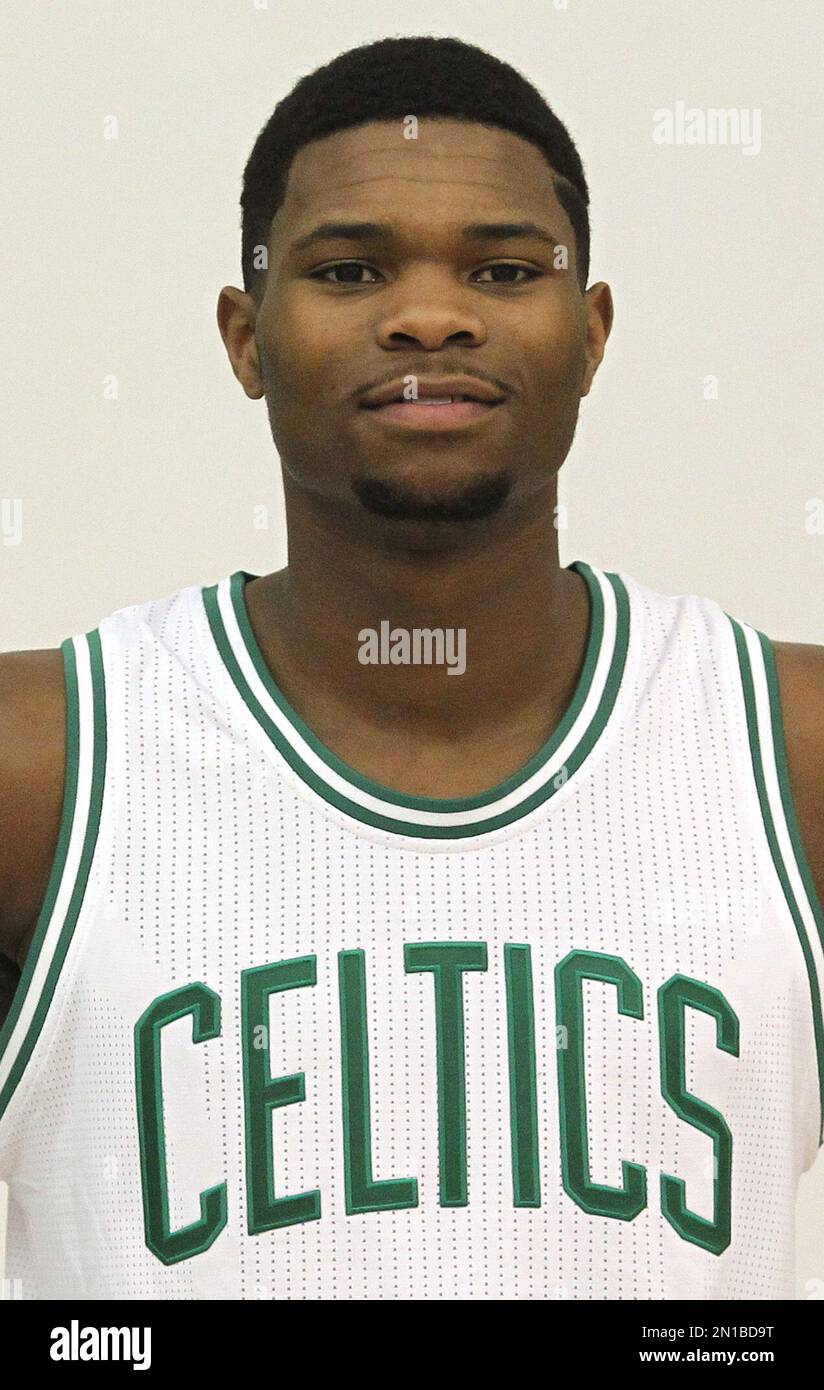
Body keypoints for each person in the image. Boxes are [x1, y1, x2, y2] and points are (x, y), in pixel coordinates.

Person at [0, 34, 822, 1300]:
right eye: (347, 269)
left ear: (591, 332)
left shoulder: (790, 749)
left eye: (501, 267)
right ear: (245, 336)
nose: (429, 314)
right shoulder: (41, 766)